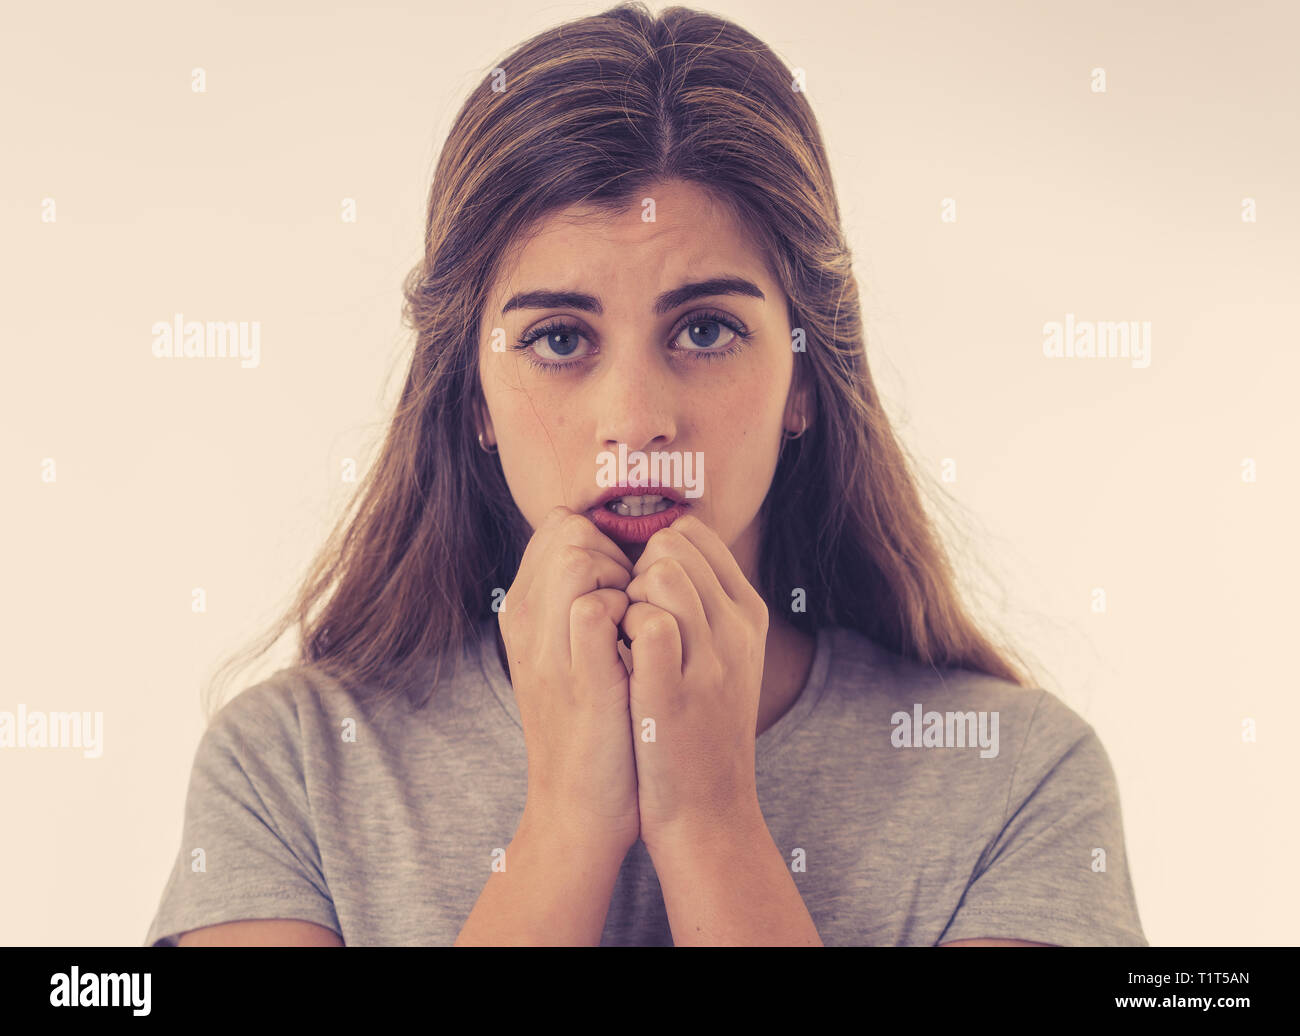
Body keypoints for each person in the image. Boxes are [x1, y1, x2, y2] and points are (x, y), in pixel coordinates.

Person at [144, 1, 1146, 947]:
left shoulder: (1016, 778)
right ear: (470, 399)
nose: (634, 421)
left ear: (805, 381)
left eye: (706, 329)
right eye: (557, 337)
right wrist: (568, 823)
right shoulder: (290, 770)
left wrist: (710, 820)